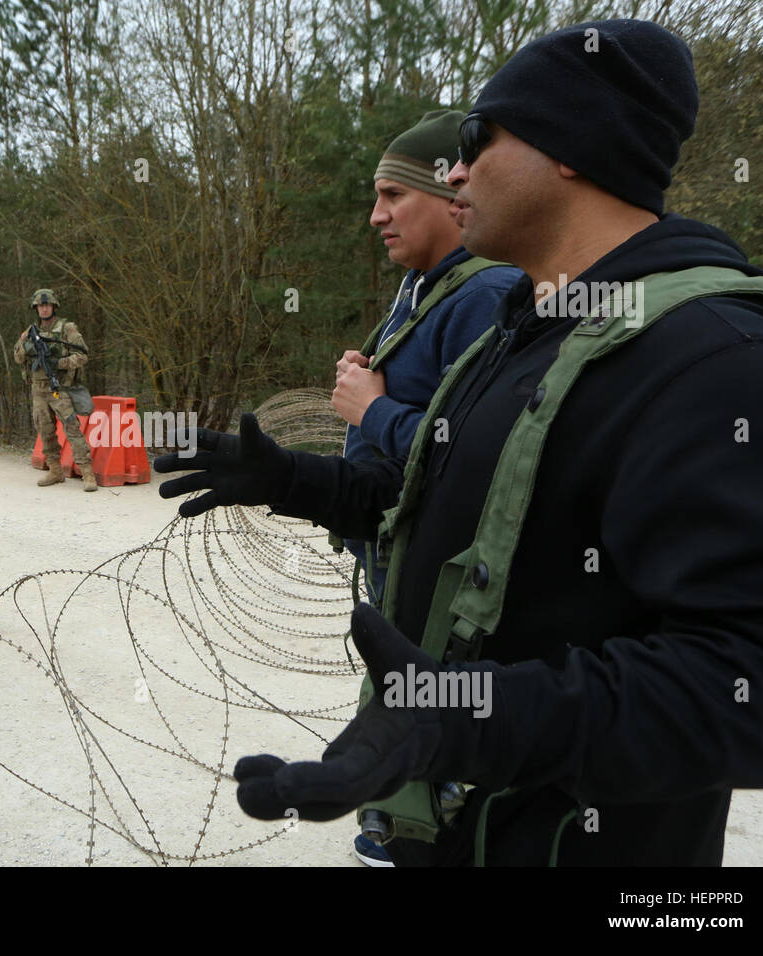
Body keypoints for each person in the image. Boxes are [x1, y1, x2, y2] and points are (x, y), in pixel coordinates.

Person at [156, 19, 763, 865]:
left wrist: (470, 714)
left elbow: (762, 684)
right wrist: (291, 479)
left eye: (474, 139)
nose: (454, 171)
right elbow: (448, 503)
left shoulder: (719, 355)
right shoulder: (528, 331)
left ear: (571, 145)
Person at [334, 114, 521, 866]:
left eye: (391, 196)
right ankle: (396, 808)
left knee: (433, 688)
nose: (375, 215)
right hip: (395, 552)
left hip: (443, 564)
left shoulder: (488, 295)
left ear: (451, 195)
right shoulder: (422, 286)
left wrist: (372, 409)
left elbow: (486, 459)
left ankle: (423, 820)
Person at [14, 288, 96, 491]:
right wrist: (24, 344)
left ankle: (87, 472)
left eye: (47, 305)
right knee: (45, 431)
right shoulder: (30, 331)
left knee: (72, 429)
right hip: (38, 389)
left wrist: (60, 363)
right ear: (36, 308)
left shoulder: (67, 329)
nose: (44, 309)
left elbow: (83, 355)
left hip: (60, 388)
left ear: (53, 307)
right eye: (40, 306)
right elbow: (18, 357)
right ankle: (55, 470)